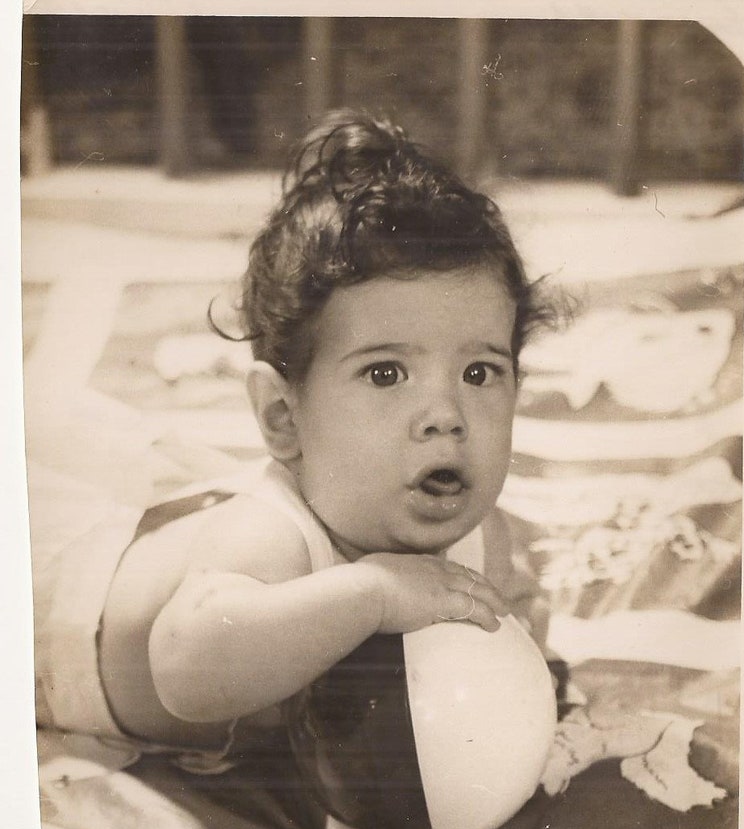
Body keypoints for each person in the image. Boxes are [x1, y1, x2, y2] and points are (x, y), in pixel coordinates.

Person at [36, 111, 555, 757]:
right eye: (386, 373)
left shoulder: (484, 537)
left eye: (480, 372)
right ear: (284, 417)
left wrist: (523, 633)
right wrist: (370, 595)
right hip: (48, 630)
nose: (445, 413)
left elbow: (506, 620)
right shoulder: (270, 541)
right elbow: (184, 673)